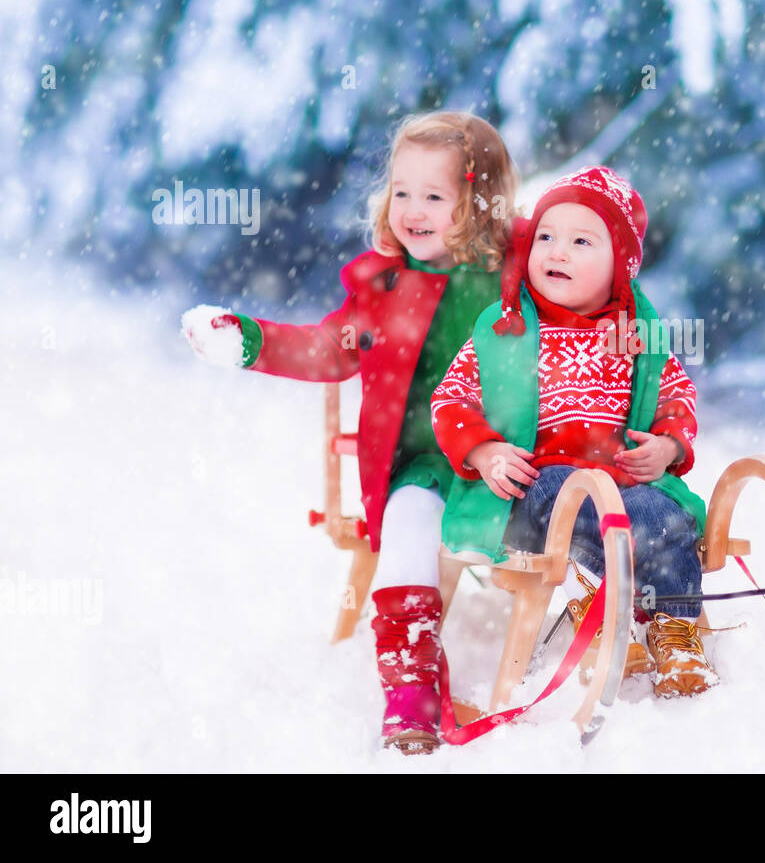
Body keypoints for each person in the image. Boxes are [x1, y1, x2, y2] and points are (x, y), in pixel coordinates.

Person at [181, 111, 519, 754]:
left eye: (435, 196)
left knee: (557, 518)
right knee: (410, 526)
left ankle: (624, 613)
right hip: (424, 462)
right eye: (401, 192)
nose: (412, 210)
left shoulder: (513, 280)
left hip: (506, 459)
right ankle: (411, 686)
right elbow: (328, 351)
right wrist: (250, 340)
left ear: (478, 203)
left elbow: (580, 307)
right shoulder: (385, 288)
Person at [431, 166, 717, 699]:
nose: (556, 252)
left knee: (665, 515)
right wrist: (487, 451)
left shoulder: (636, 336)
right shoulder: (505, 330)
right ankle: (607, 596)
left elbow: (677, 396)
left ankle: (674, 631)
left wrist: (670, 444)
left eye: (580, 241)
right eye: (545, 237)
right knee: (576, 497)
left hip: (623, 487)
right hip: (535, 487)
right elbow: (451, 399)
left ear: (619, 268)